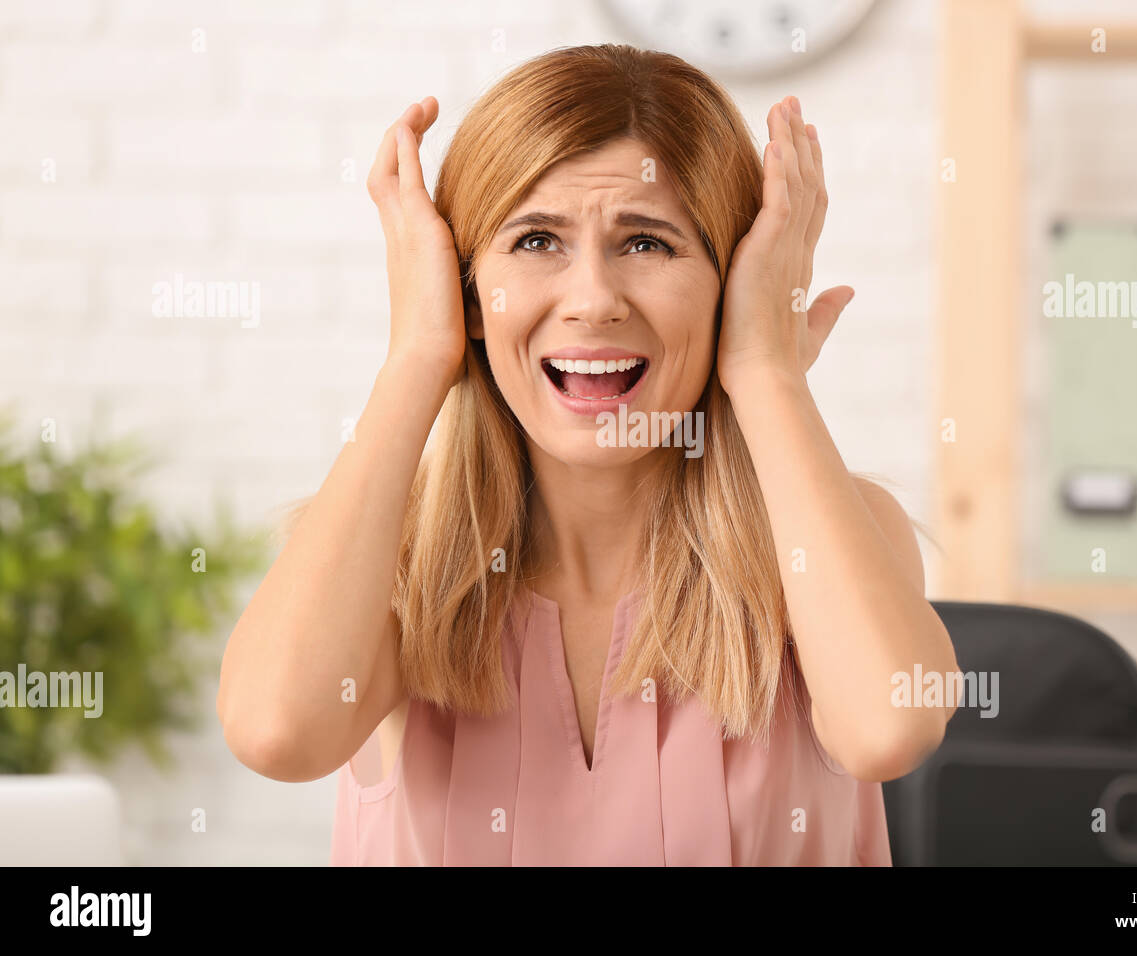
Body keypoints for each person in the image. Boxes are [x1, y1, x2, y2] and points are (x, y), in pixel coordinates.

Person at [217, 43, 959, 866]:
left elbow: (890, 728)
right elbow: (275, 731)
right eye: (536, 242)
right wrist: (419, 356)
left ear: (732, 284)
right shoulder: (389, 559)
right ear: (466, 289)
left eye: (647, 243)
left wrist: (766, 370)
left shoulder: (836, 541)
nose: (594, 301)